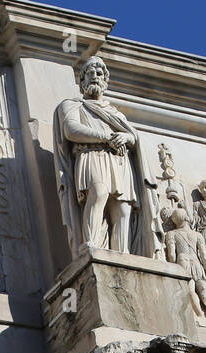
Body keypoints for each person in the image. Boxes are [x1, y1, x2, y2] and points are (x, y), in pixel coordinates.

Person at [53, 56, 155, 256]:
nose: (95, 77)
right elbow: (71, 130)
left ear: (105, 81)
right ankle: (91, 245)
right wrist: (106, 137)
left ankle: (122, 255)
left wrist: (125, 137)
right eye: (89, 73)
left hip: (118, 160)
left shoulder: (116, 113)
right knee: (98, 193)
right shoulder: (73, 105)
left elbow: (134, 138)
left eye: (99, 74)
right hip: (91, 155)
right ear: (82, 82)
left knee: (123, 209)